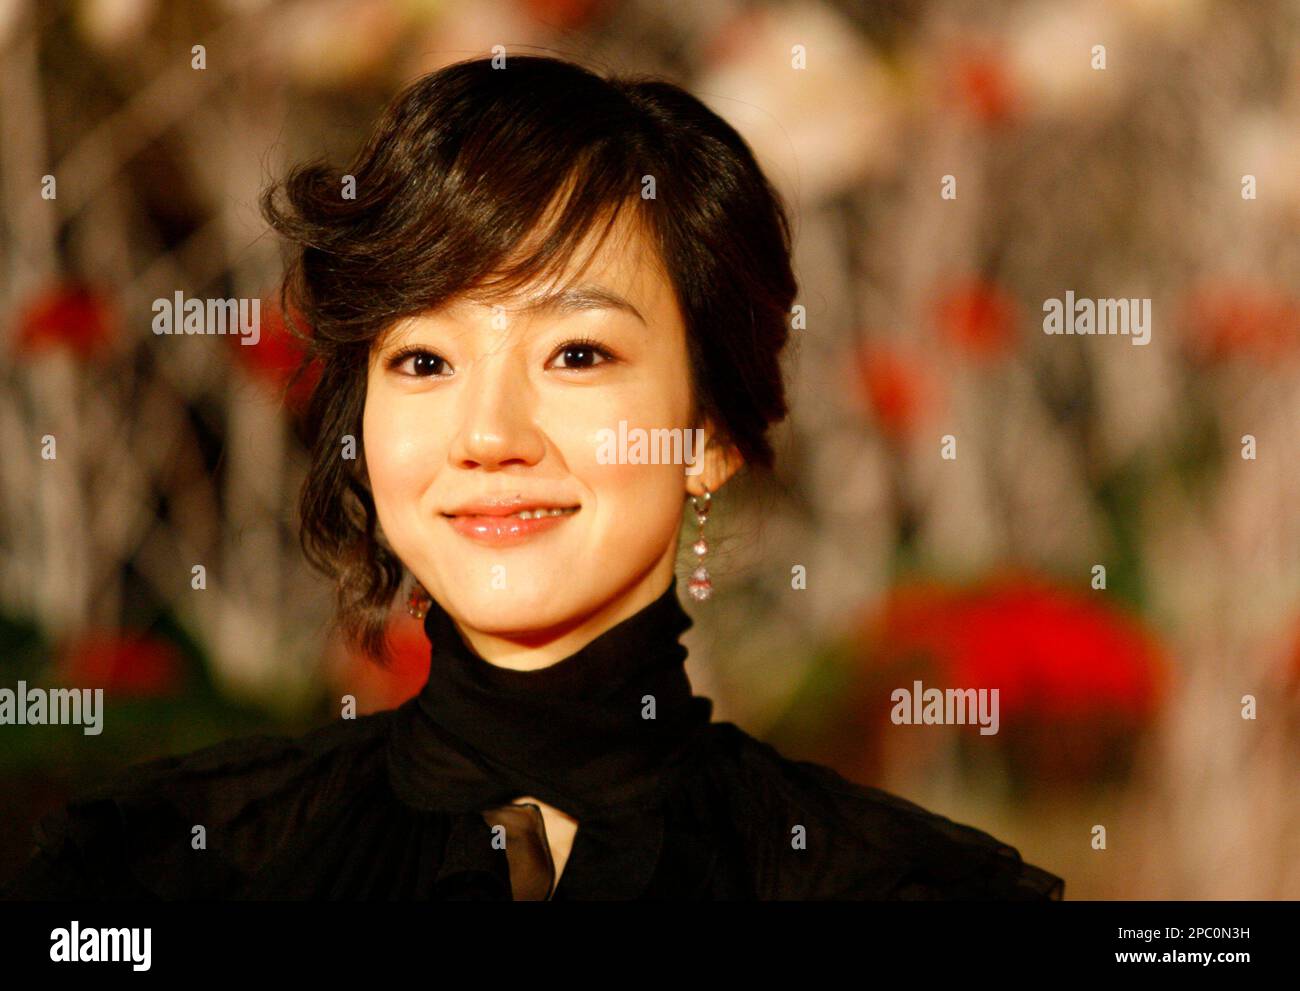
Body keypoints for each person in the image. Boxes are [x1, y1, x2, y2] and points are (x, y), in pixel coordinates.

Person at [2, 54, 1063, 901]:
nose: (489, 433)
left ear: (709, 430)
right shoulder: (158, 875)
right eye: (423, 362)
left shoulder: (899, 888)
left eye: (576, 355)